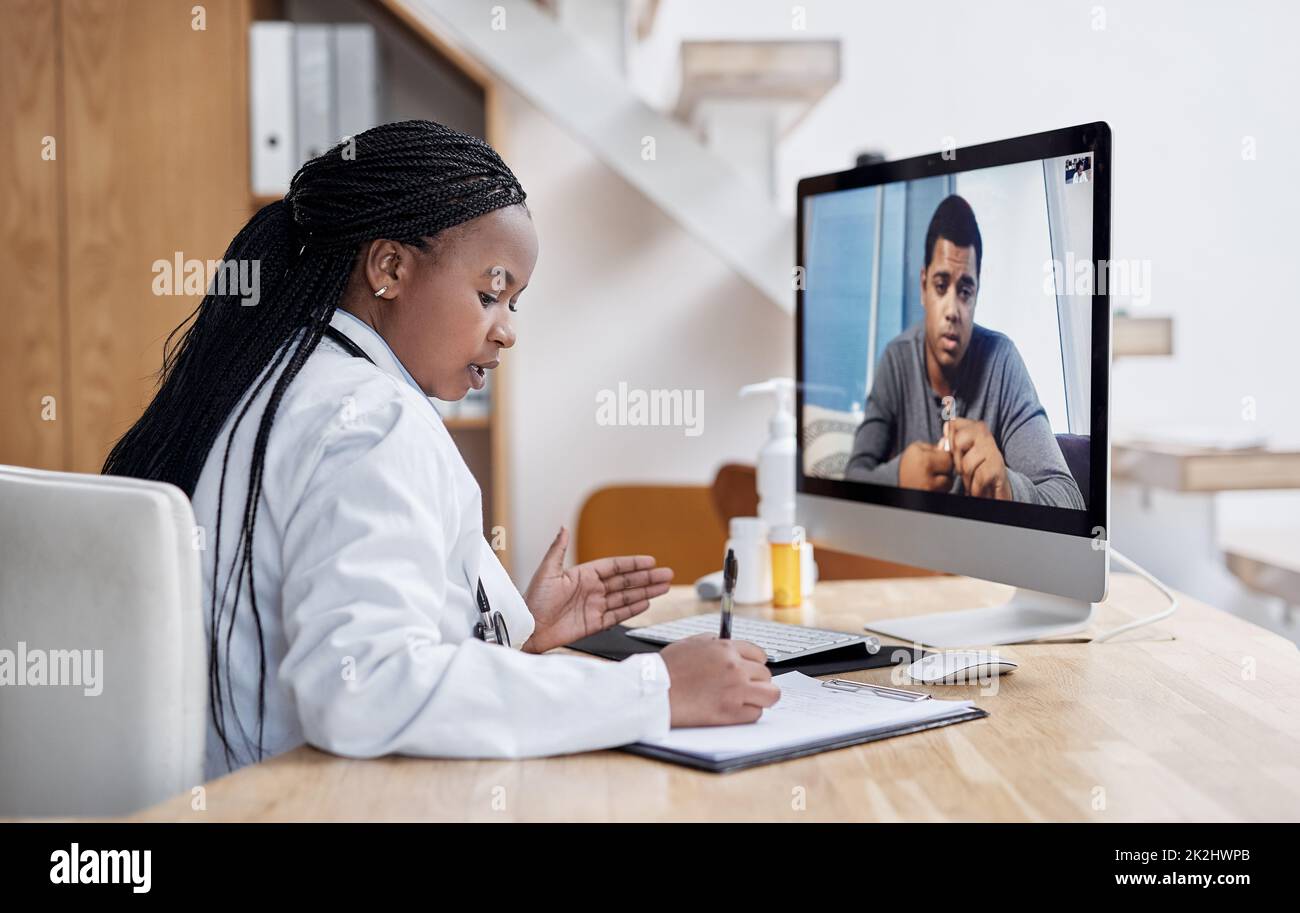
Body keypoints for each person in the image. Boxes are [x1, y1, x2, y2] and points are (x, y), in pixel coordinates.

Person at [104, 120, 778, 778]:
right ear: (389, 267)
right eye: (490, 294)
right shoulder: (372, 419)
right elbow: (364, 687)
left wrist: (517, 627)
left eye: (514, 303)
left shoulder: (283, 376)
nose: (507, 330)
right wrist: (655, 687)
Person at [844, 194, 1084, 509]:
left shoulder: (1002, 362)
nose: (953, 310)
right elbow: (851, 483)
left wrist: (1006, 486)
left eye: (965, 291)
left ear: (976, 295)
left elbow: (1071, 500)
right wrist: (898, 477)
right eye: (941, 286)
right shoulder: (897, 359)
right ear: (923, 286)